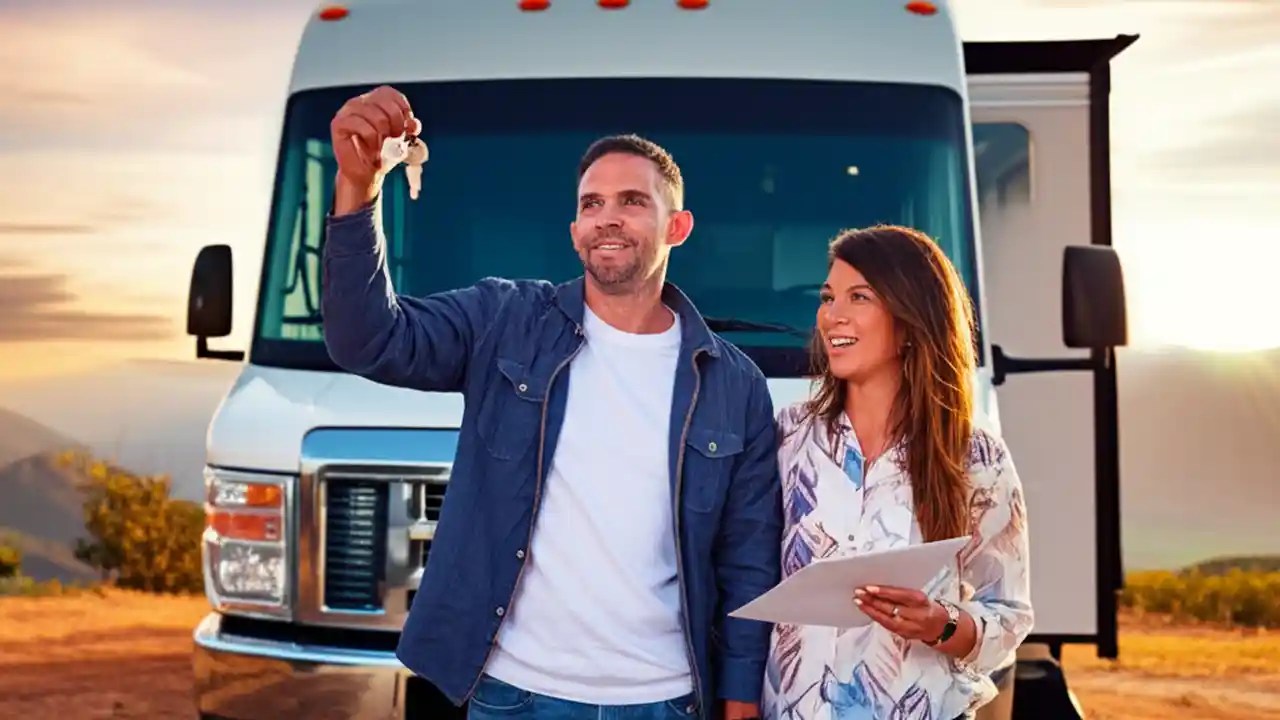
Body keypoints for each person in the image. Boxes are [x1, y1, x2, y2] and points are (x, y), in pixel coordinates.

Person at [322, 85, 782, 720]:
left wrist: (741, 699)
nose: (608, 218)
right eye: (592, 204)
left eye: (632, 201)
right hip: (513, 693)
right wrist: (359, 188)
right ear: (575, 232)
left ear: (677, 227)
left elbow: (748, 556)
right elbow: (366, 340)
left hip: (666, 698)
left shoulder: (735, 384)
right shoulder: (505, 320)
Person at [761, 226, 1034, 720]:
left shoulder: (975, 455)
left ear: (910, 321)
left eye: (859, 297)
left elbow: (1009, 616)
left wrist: (940, 624)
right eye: (828, 297)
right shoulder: (786, 437)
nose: (832, 315)